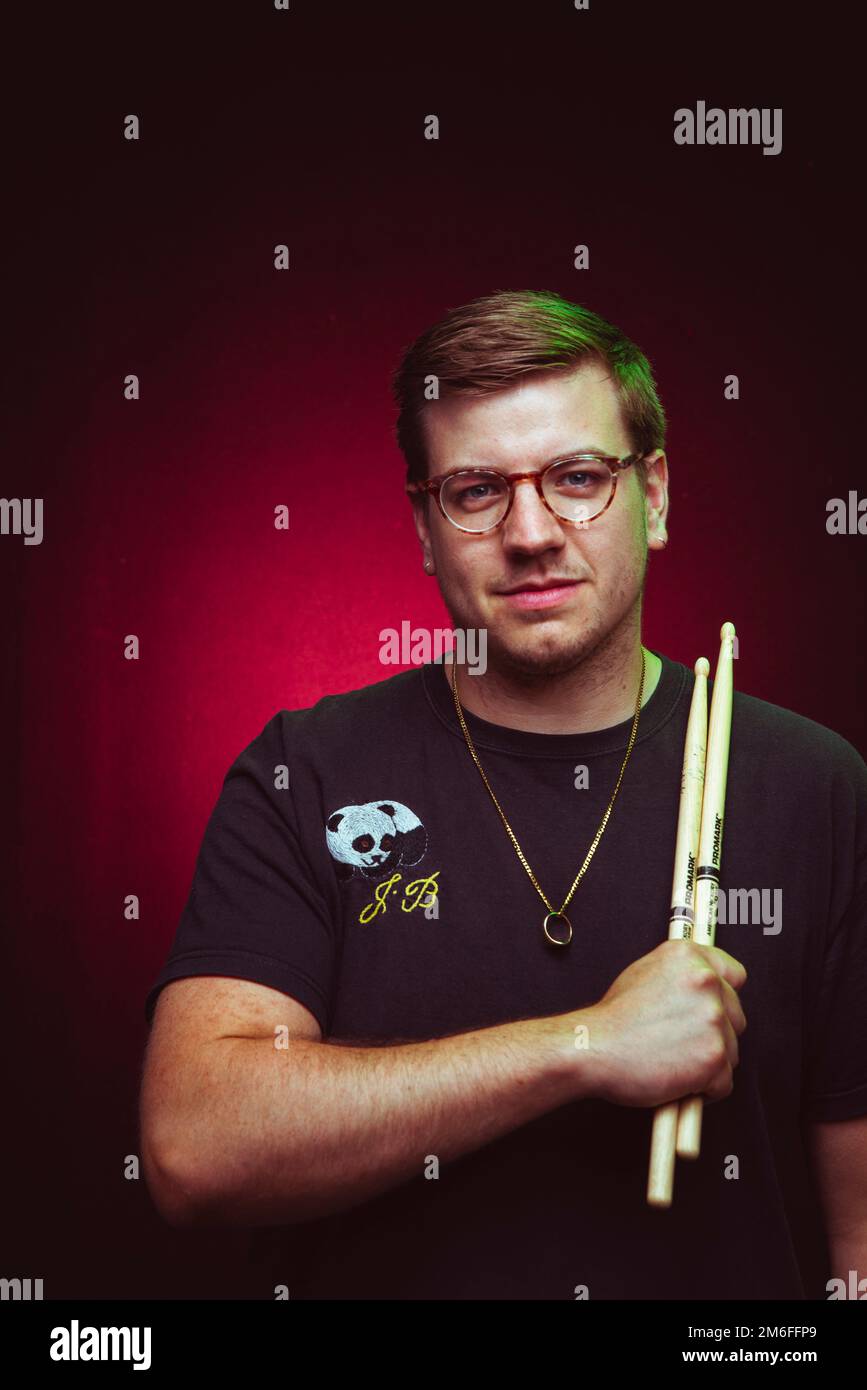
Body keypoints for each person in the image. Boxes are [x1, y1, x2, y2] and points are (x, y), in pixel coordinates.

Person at [140, 290, 867, 1300]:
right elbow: (194, 1145)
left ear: (655, 494)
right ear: (425, 527)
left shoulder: (813, 784)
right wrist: (582, 1047)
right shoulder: (305, 772)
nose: (531, 531)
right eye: (477, 491)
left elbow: (858, 1241)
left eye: (578, 478)